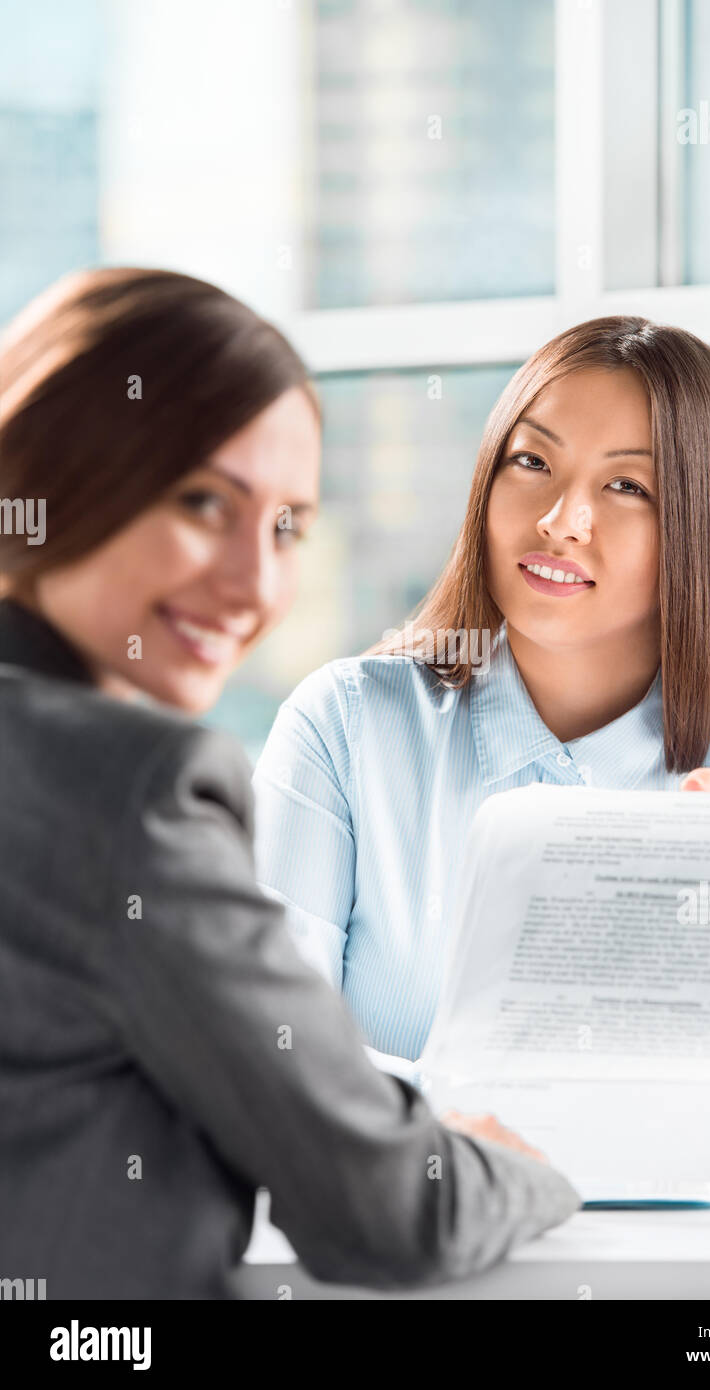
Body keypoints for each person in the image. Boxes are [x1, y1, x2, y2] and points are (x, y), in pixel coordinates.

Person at [0, 267, 580, 1301]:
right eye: (201, 502)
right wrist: (533, 1162)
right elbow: (390, 1208)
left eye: (286, 528)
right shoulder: (126, 791)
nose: (254, 583)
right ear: (49, 470)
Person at [253, 316, 710, 1146]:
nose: (563, 520)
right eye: (531, 462)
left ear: (699, 530)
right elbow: (271, 1054)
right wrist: (593, 1117)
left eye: (627, 487)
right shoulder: (344, 726)